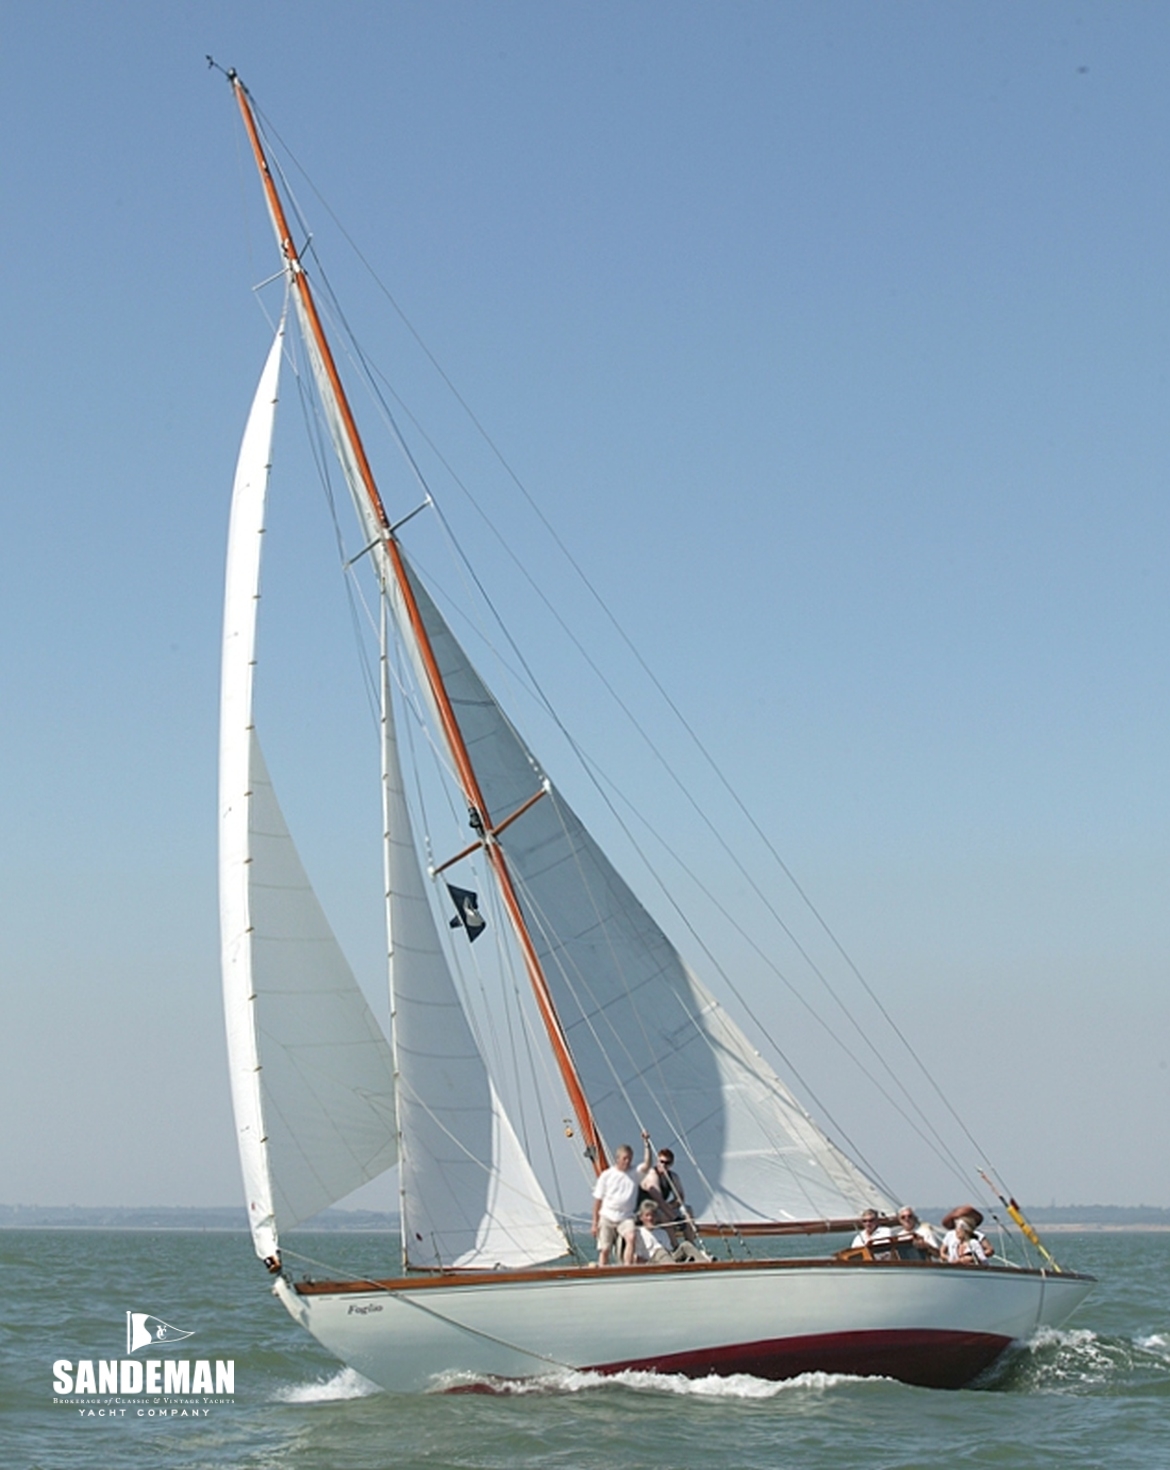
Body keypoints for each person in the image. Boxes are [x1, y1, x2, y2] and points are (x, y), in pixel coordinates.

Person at [638, 1133, 699, 1245]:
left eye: (667, 1163)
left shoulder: (673, 1177)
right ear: (657, 1161)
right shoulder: (652, 1175)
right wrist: (675, 1218)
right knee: (664, 1214)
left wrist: (672, 1206)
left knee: (687, 1209)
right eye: (661, 1162)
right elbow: (659, 1201)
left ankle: (691, 1244)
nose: (664, 1165)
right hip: (647, 1212)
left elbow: (680, 1197)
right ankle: (676, 1247)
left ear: (672, 1163)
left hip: (664, 1208)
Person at [591, 1143, 645, 1266]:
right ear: (618, 1159)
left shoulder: (634, 1172)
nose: (627, 1161)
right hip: (607, 1215)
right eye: (625, 1158)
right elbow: (597, 1200)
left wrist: (646, 1145)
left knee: (631, 1237)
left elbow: (647, 1165)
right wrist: (594, 1223)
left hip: (626, 1217)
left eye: (630, 1158)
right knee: (605, 1249)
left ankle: (627, 1267)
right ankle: (603, 1270)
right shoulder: (607, 1175)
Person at [630, 1200, 710, 1264]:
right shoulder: (638, 1233)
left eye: (653, 1215)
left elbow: (670, 1250)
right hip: (652, 1261)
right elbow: (637, 1257)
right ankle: (674, 1272)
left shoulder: (662, 1232)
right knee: (660, 1251)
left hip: (668, 1257)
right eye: (647, 1215)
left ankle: (704, 1264)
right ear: (641, 1217)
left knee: (686, 1245)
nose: (650, 1218)